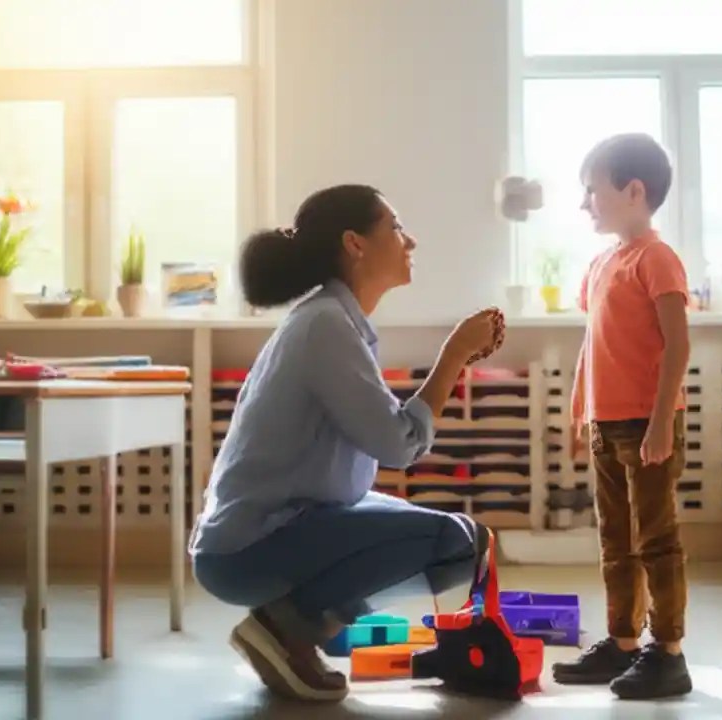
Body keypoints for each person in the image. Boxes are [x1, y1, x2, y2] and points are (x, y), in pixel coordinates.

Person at [189, 184, 501, 703]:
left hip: (268, 534)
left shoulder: (331, 320)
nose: (411, 241)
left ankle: (299, 627)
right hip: (248, 550)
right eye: (396, 227)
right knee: (455, 543)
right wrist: (454, 356)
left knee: (457, 547)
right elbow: (399, 447)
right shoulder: (326, 326)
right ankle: (287, 626)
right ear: (355, 244)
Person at [550, 133, 694, 699]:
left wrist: (662, 422)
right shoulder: (603, 261)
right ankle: (623, 641)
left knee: (655, 538)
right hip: (605, 424)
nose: (585, 203)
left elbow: (677, 346)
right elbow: (593, 343)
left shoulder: (657, 259)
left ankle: (669, 653)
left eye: (592, 191)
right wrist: (577, 409)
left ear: (633, 192)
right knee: (615, 539)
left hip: (645, 424)